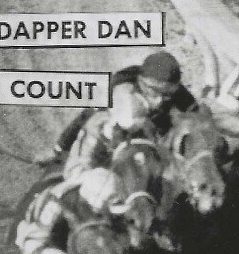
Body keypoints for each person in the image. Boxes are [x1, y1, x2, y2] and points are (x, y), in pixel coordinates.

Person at [37, 50, 197, 167]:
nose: (161, 100)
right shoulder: (117, 89)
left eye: (168, 94)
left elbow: (197, 116)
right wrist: (59, 149)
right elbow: (84, 118)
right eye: (154, 91)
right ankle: (60, 153)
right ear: (141, 80)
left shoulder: (175, 91)